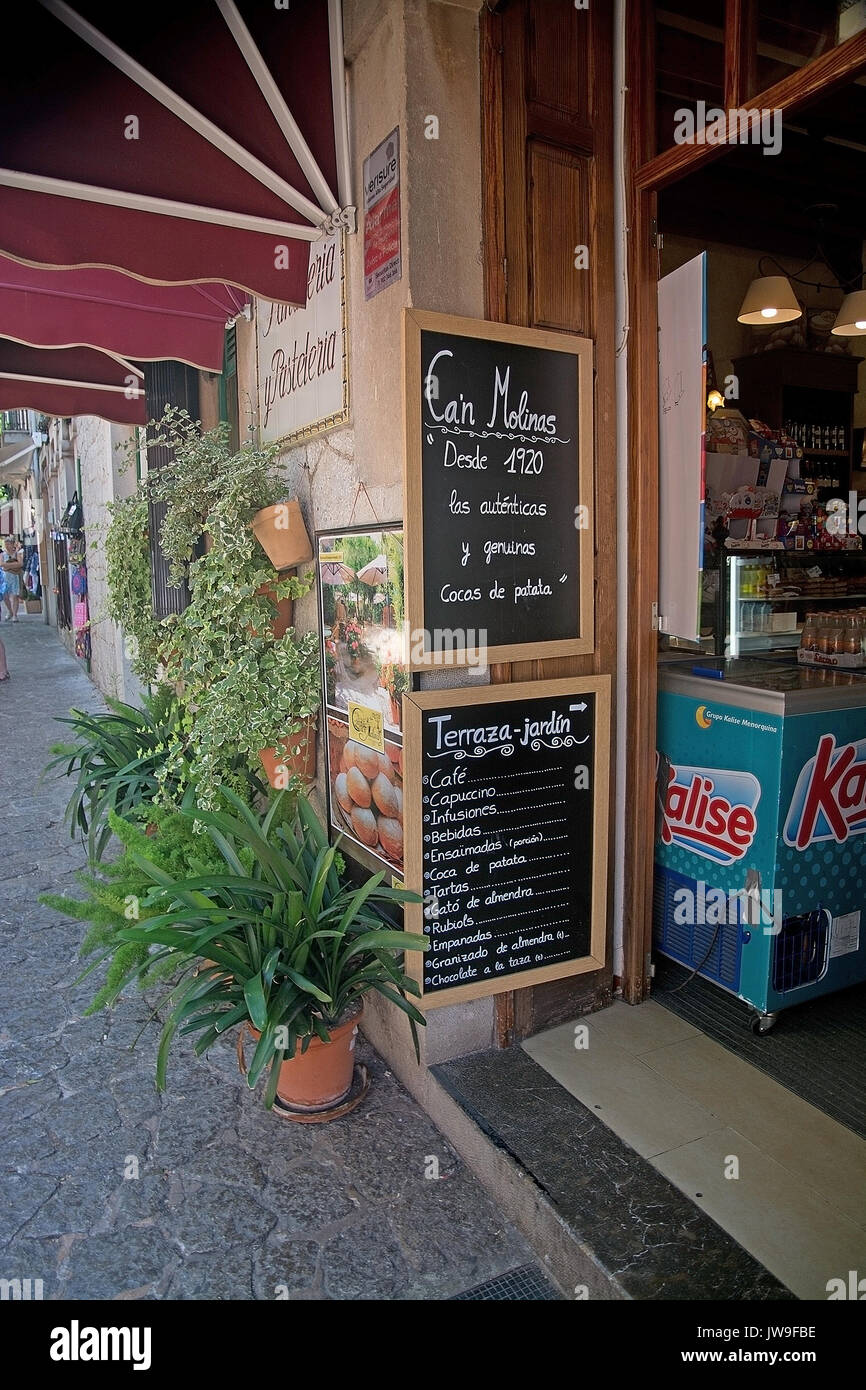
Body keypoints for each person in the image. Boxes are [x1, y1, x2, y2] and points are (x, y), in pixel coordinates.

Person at [1, 535, 23, 621]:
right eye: (6, 544)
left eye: (9, 544)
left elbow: (20, 564)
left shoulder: (17, 554)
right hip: (5, 578)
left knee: (15, 596)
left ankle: (15, 615)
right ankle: (9, 611)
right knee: (5, 596)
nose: (7, 546)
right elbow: (1, 564)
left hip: (15, 577)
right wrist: (14, 564)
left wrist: (8, 566)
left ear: (13, 544)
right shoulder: (2, 554)